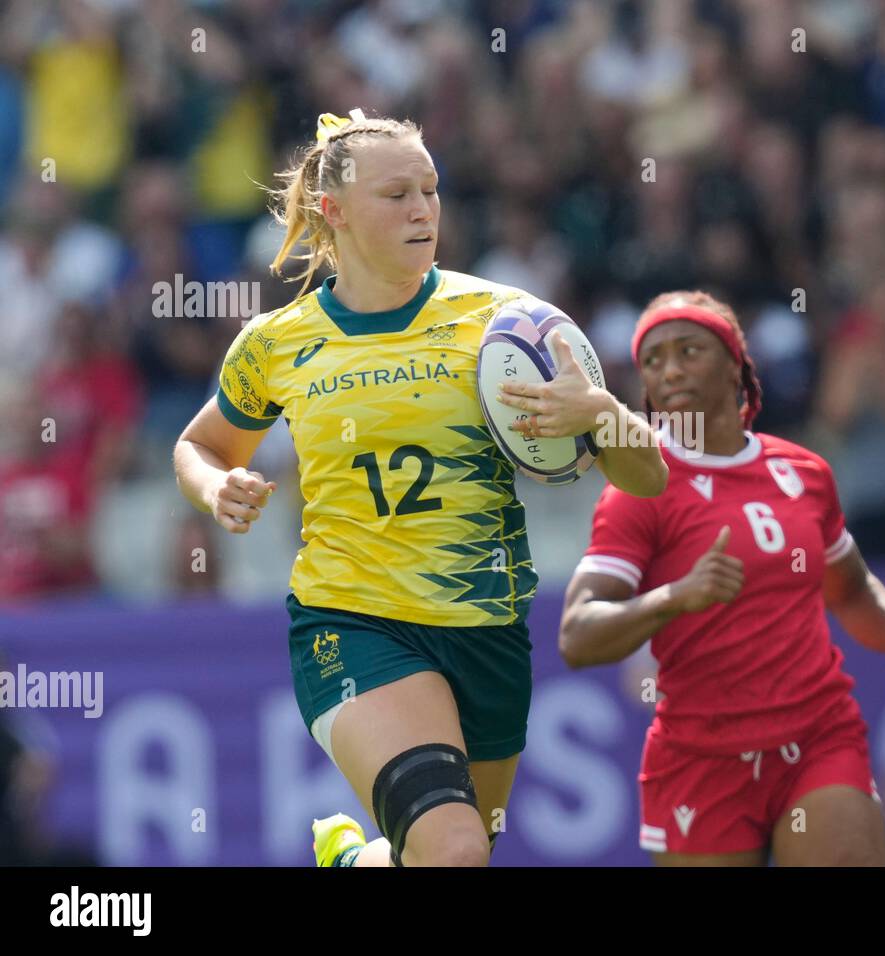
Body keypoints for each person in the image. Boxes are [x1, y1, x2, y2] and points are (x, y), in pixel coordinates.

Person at [173, 110, 666, 868]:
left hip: (488, 633)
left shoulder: (507, 323)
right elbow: (200, 444)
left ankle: (351, 861)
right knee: (454, 847)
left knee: (445, 857)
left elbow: (649, 477)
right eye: (397, 193)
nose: (422, 210)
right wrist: (216, 488)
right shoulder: (277, 343)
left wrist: (601, 414)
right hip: (355, 622)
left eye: (431, 191)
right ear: (332, 212)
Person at [559, 290, 885, 866]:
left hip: (817, 735)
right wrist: (677, 596)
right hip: (701, 758)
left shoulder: (804, 472)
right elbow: (576, 635)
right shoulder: (638, 492)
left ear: (734, 366)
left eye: (689, 350)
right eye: (653, 359)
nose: (669, 369)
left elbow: (851, 590)